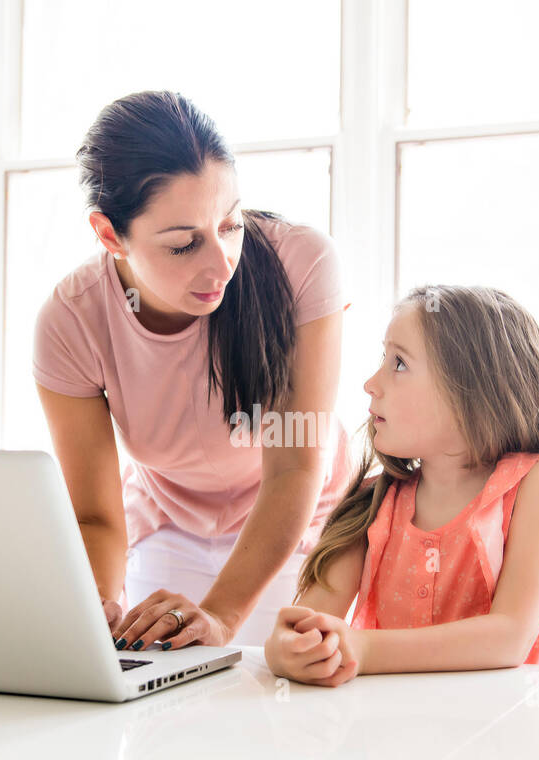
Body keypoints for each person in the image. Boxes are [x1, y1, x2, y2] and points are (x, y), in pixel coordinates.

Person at [33, 91, 349, 651]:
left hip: (301, 517)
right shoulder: (72, 319)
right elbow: (97, 516)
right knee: (161, 697)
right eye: (183, 245)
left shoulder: (304, 262)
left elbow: (294, 470)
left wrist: (222, 615)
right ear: (109, 235)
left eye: (230, 225)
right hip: (169, 520)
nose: (221, 264)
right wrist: (99, 615)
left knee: (278, 700)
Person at [265, 285, 539, 686]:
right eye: (383, 359)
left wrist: (366, 648)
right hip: (399, 738)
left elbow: (508, 637)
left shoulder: (537, 485)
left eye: (400, 363)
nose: (371, 383)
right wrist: (287, 650)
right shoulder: (374, 502)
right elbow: (305, 626)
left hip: (508, 736)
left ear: (473, 390)